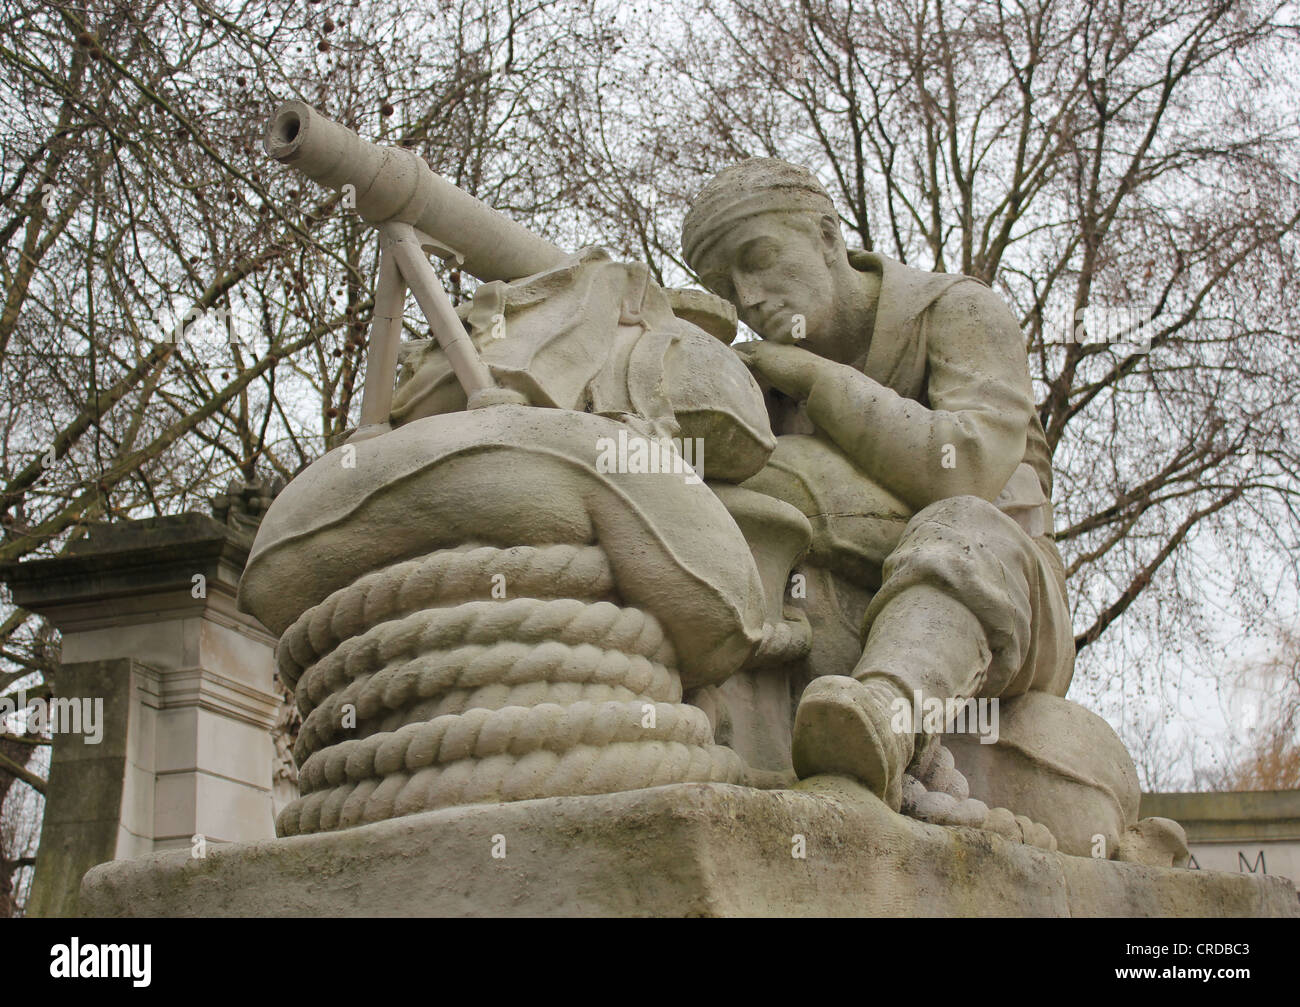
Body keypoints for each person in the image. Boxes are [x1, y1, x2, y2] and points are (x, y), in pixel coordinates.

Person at [681, 158, 1075, 810]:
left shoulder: (958, 311)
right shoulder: (759, 384)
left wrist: (814, 380)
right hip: (855, 591)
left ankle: (885, 720)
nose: (747, 297)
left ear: (827, 235)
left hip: (1010, 591)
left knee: (962, 524)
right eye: (724, 284)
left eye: (759, 257)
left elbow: (966, 469)